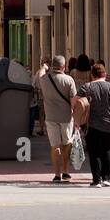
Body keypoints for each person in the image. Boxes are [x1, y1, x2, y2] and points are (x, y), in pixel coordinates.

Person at [79, 62, 110, 188]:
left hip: (91, 125)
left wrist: (77, 120)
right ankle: (106, 178)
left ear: (92, 75)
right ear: (105, 74)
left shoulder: (86, 87)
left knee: (94, 151)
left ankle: (96, 180)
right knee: (107, 150)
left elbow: (75, 102)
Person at [37, 55, 77, 183]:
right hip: (66, 117)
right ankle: (66, 171)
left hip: (51, 117)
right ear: (63, 66)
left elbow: (41, 73)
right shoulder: (69, 80)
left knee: (55, 146)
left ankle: (57, 174)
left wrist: (44, 66)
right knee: (67, 144)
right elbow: (73, 101)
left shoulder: (44, 79)